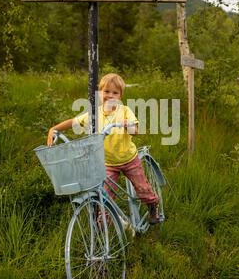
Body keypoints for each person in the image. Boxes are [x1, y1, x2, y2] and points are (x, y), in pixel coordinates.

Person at [47, 73, 160, 224]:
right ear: (100, 93)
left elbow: (136, 129)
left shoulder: (124, 111)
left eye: (115, 92)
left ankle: (152, 205)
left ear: (120, 96)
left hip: (129, 159)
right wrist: (54, 128)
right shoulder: (95, 114)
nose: (110, 95)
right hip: (107, 164)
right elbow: (74, 121)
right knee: (105, 195)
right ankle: (103, 224)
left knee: (142, 187)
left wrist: (128, 125)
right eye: (106, 91)